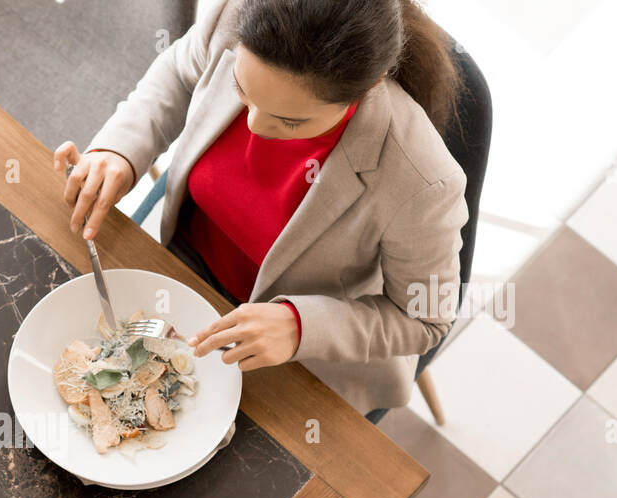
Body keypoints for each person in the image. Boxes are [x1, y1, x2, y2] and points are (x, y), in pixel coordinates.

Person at [55, 0, 469, 415]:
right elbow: (181, 75)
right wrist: (119, 151)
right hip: (185, 269)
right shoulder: (231, 14)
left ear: (367, 87)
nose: (252, 126)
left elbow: (423, 320)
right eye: (241, 90)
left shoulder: (423, 181)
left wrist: (300, 325)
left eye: (290, 122)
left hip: (299, 358)